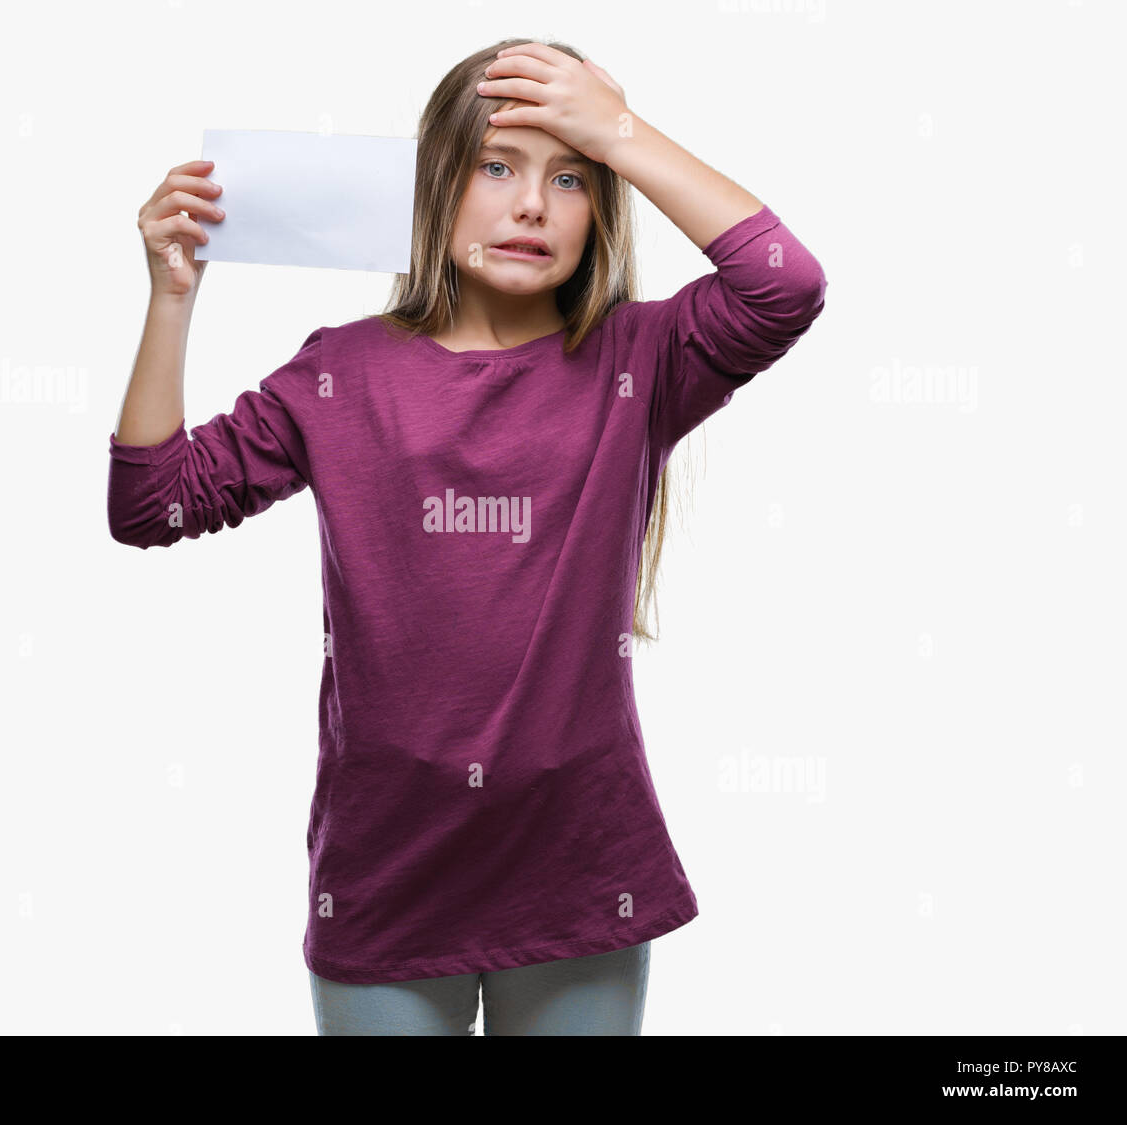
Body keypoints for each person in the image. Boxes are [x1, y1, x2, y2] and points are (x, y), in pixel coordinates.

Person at [108, 38, 826, 1035]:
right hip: (387, 877)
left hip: (582, 877)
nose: (531, 205)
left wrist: (619, 127)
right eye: (496, 168)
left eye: (570, 178)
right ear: (434, 187)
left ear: (600, 206)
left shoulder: (639, 362)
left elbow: (784, 283)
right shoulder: (340, 376)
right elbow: (153, 507)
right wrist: (172, 298)